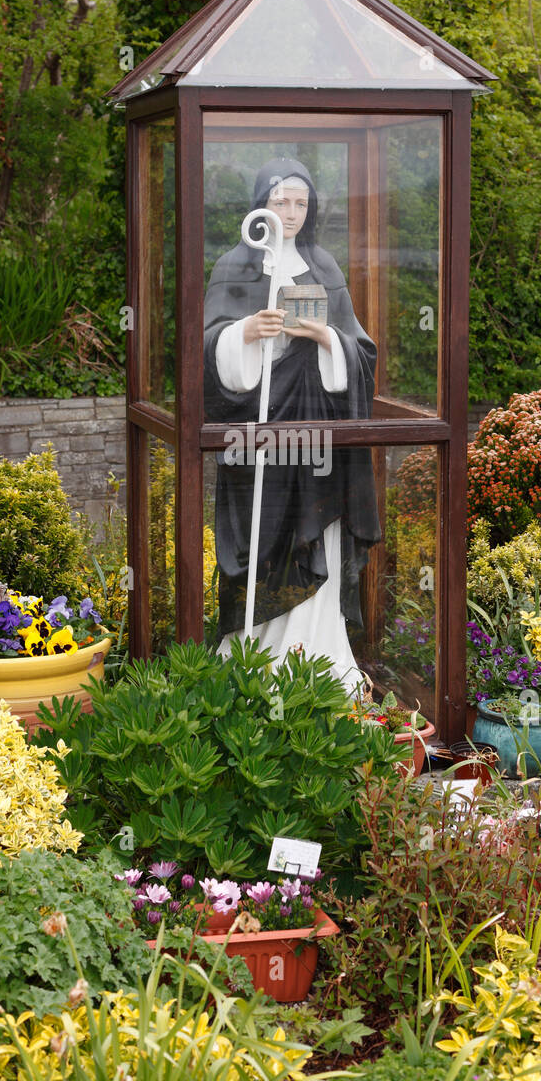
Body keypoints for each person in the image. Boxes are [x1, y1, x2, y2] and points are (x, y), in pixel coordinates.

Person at [204, 156, 381, 691]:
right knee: (259, 540)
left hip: (316, 442)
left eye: (301, 202)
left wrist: (324, 338)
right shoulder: (235, 266)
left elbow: (361, 353)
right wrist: (246, 333)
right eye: (282, 201)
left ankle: (317, 661)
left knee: (316, 541)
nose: (292, 212)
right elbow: (207, 347)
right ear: (261, 203)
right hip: (255, 443)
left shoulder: (322, 265)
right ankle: (254, 662)